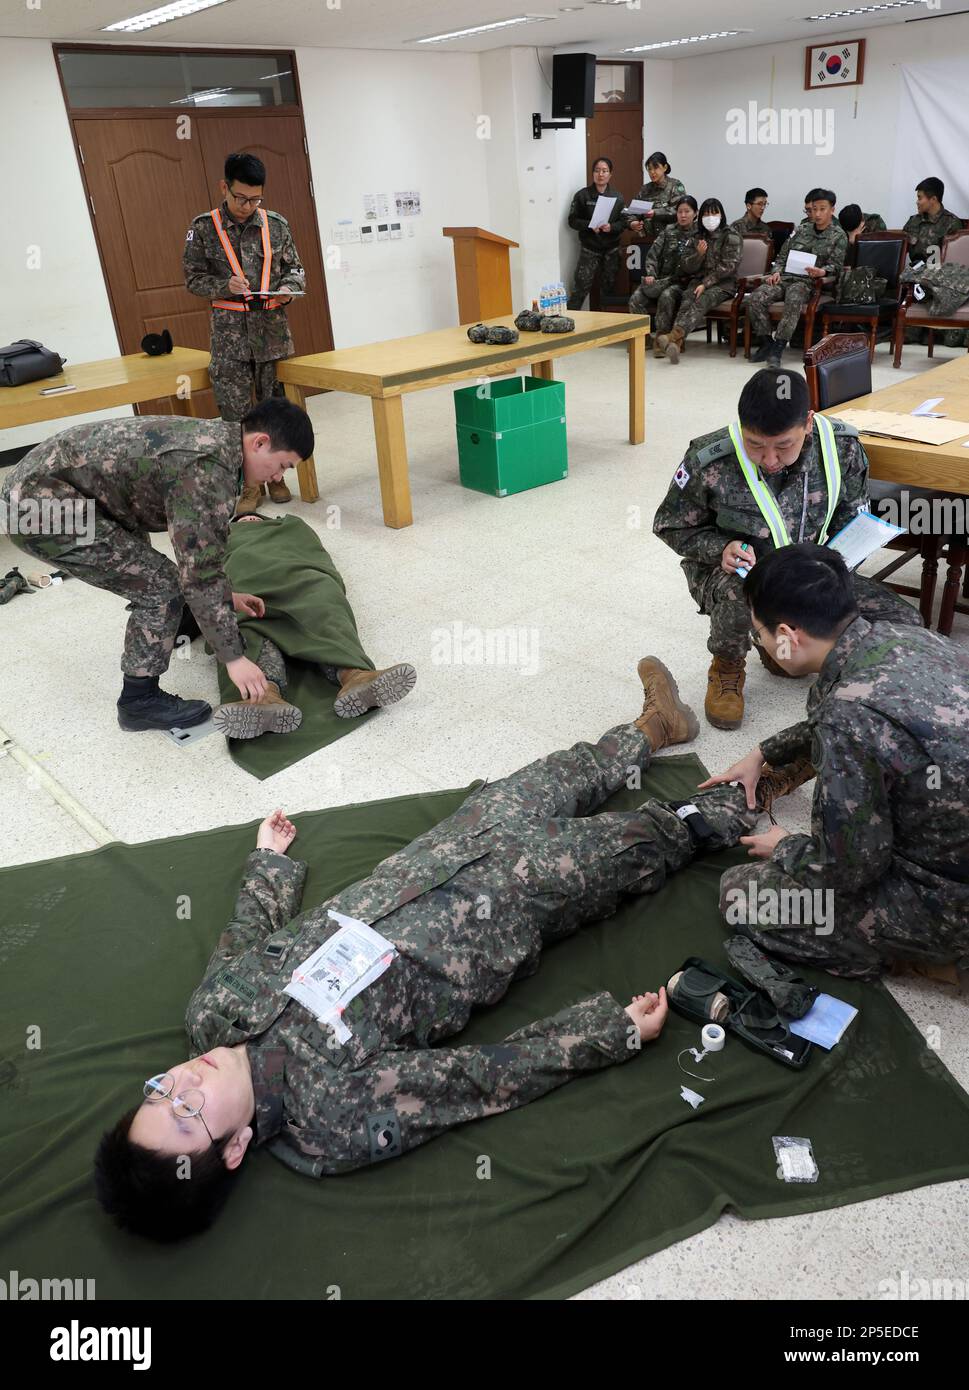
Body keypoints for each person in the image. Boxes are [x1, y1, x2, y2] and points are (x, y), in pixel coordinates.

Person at [93, 659, 772, 1240]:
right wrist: (608, 1033)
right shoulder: (330, 1118)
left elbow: (246, 939)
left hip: (427, 862)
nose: (181, 1083)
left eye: (160, 1093)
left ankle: (654, 727)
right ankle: (758, 795)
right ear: (234, 1148)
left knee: (547, 779)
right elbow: (477, 1080)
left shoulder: (212, 1014)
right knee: (648, 839)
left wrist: (269, 866)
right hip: (509, 907)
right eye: (185, 1116)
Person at [699, 543, 969, 981]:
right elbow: (874, 718)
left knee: (742, 896)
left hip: (948, 897)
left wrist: (784, 846)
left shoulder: (847, 721)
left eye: (759, 635)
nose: (761, 643)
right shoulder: (901, 636)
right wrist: (764, 751)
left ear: (787, 636)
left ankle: (924, 953)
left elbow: (850, 869)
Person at [0, 399, 313, 732]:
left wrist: (227, 596)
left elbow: (200, 556)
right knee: (159, 588)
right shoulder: (208, 470)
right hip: (39, 510)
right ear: (259, 442)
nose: (278, 476)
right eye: (283, 465)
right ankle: (139, 701)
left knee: (150, 570)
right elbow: (200, 576)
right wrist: (234, 659)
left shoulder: (222, 441)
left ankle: (177, 622)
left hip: (64, 489)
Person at [652, 368, 921, 731]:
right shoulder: (710, 460)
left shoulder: (841, 447)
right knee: (736, 595)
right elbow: (669, 525)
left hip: (816, 569)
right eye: (756, 445)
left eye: (783, 446)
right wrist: (722, 548)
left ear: (808, 423)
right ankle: (728, 665)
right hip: (743, 571)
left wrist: (831, 573)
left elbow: (852, 516)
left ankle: (828, 668)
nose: (770, 459)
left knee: (905, 620)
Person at [210, 513, 417, 738]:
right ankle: (265, 697)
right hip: (246, 586)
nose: (249, 521)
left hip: (300, 577)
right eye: (243, 520)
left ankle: (354, 676)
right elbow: (205, 577)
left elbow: (311, 551)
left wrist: (316, 572)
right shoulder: (218, 536)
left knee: (324, 600)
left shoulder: (290, 524)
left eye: (254, 518)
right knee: (245, 628)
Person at [183, 151, 307, 515]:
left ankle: (277, 476)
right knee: (237, 418)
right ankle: (248, 485)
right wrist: (224, 285)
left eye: (255, 199)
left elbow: (295, 269)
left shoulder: (276, 224)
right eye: (241, 198)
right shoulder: (203, 228)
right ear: (224, 187)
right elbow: (192, 280)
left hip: (273, 336)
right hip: (230, 339)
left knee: (276, 413)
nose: (248, 205)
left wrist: (288, 288)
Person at [747, 189, 848, 367]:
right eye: (814, 209)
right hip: (785, 278)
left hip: (808, 282)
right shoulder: (801, 230)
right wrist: (776, 271)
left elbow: (837, 267)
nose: (817, 214)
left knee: (794, 296)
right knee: (756, 297)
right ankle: (766, 343)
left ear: (832, 210)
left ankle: (778, 347)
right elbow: (781, 256)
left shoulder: (838, 236)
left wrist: (822, 272)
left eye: (822, 209)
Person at [655, 198, 742, 363]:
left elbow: (729, 266)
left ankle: (673, 336)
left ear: (721, 215)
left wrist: (706, 283)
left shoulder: (731, 235)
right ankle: (676, 344)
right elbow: (686, 265)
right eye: (706, 214)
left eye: (714, 213)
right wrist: (698, 255)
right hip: (698, 281)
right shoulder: (696, 236)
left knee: (703, 300)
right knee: (687, 298)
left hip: (724, 284)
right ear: (700, 216)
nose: (710, 217)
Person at [627, 195, 698, 353]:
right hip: (660, 279)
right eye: (680, 211)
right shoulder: (668, 231)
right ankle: (642, 339)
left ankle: (662, 339)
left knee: (667, 296)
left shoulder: (700, 234)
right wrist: (651, 273)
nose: (683, 215)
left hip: (681, 283)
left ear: (695, 213)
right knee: (635, 299)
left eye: (687, 211)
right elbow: (652, 255)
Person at [565, 156, 627, 310]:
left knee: (609, 289)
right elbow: (572, 220)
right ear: (592, 173)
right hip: (589, 248)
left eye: (605, 171)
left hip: (611, 249)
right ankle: (568, 322)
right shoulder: (582, 195)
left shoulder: (617, 197)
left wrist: (611, 227)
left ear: (610, 174)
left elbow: (623, 222)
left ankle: (607, 325)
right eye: (597, 171)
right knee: (580, 287)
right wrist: (589, 225)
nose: (601, 174)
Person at [624, 152, 686, 253]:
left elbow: (679, 211)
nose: (652, 172)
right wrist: (632, 223)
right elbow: (632, 213)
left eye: (655, 168)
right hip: (648, 241)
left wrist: (655, 212)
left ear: (665, 167)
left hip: (670, 242)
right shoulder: (645, 190)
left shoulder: (675, 186)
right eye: (649, 169)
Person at [902, 177, 964, 268]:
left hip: (939, 276)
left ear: (933, 199)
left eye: (920, 198)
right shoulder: (914, 221)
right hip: (914, 273)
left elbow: (955, 262)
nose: (917, 202)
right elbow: (901, 248)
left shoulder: (952, 223)